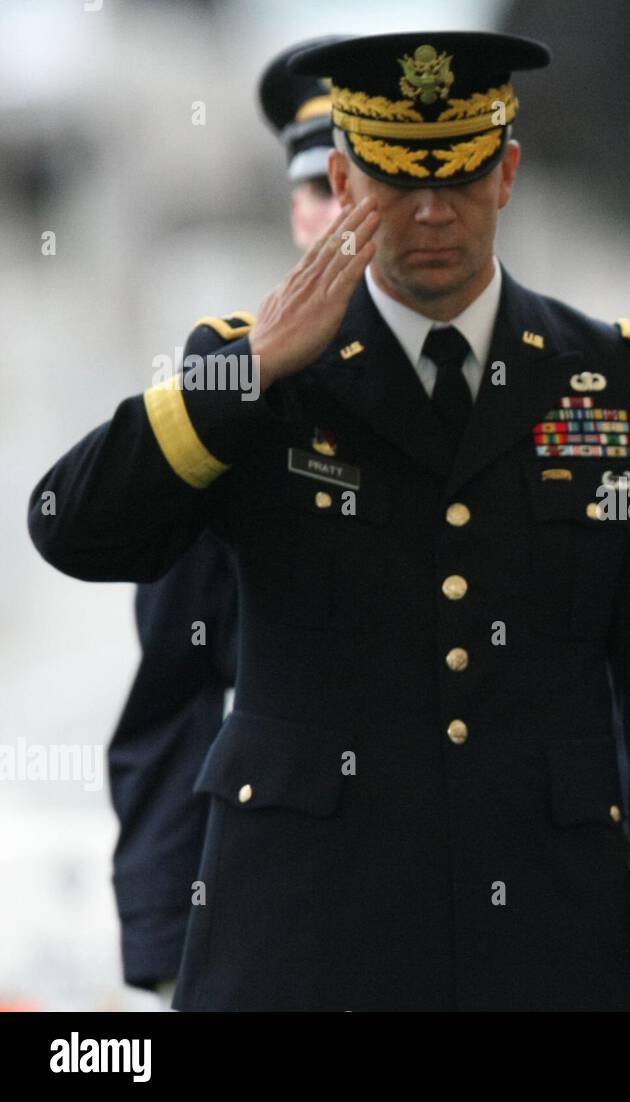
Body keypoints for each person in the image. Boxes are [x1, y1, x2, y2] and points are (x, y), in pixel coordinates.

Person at [29, 30, 630, 1011]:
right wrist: (251, 373)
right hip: (304, 930)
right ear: (342, 179)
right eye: (399, 181)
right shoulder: (255, 372)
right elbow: (73, 527)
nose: (433, 211)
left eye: (462, 176)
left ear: (510, 172)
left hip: (540, 929)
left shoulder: (615, 379)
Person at [106, 36, 343, 1000]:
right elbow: (178, 690)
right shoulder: (235, 401)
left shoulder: (546, 379)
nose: (356, 219)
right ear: (298, 210)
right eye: (329, 190)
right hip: (279, 907)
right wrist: (168, 943)